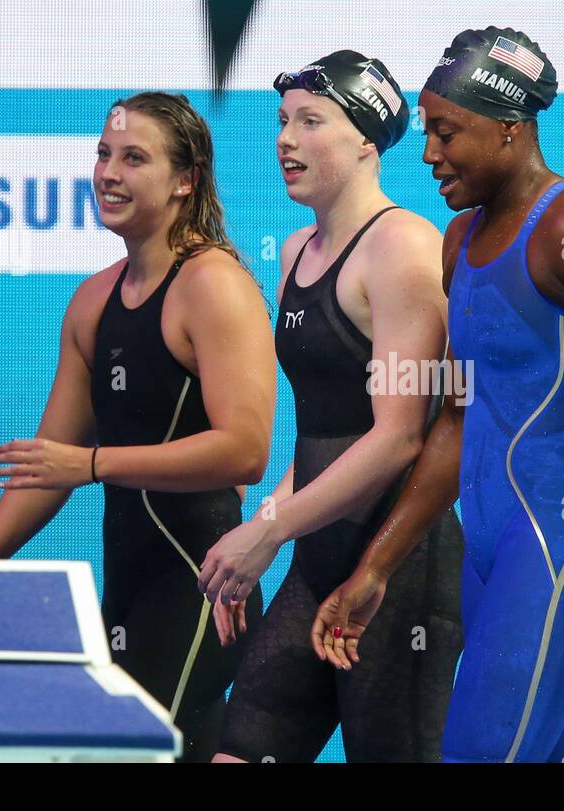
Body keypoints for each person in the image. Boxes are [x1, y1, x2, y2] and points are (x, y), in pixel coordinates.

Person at [314, 28, 564, 763]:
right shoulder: (458, 241)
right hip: (494, 560)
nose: (429, 152)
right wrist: (376, 564)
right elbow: (455, 421)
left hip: (563, 550)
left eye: (447, 132)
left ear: (509, 130)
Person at [0, 92, 276, 762]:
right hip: (128, 596)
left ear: (185, 178)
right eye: (104, 154)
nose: (109, 172)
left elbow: (247, 450)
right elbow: (48, 468)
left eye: (134, 158)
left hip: (203, 590)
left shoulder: (213, 285)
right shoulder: (91, 302)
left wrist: (95, 463)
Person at [200, 52, 464, 763]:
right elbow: (324, 432)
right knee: (242, 746)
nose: (285, 139)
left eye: (311, 121)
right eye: (282, 121)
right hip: (319, 558)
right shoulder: (295, 253)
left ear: (366, 144)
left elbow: (398, 438)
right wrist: (266, 531)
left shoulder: (403, 248)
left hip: (399, 566)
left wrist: (269, 529)